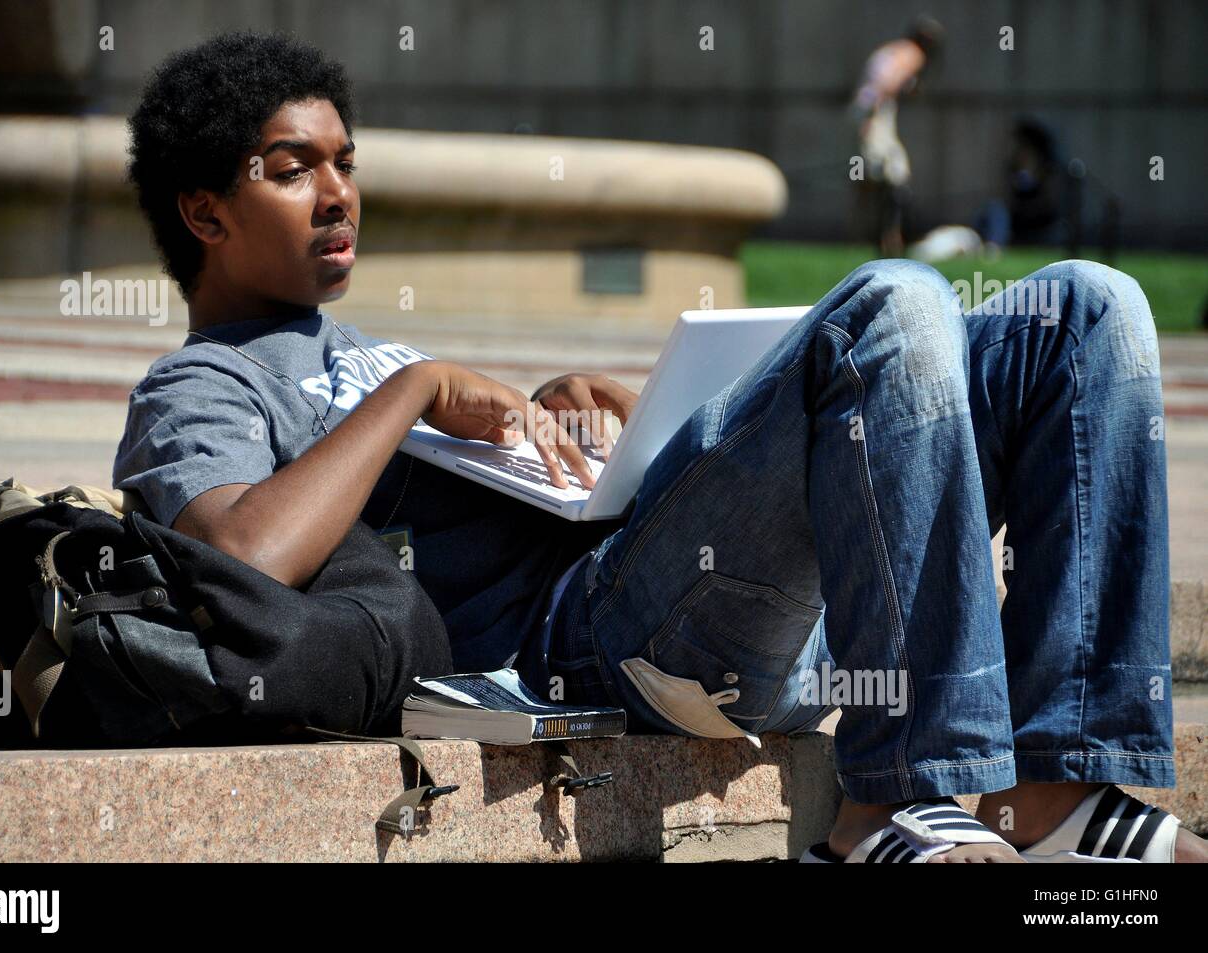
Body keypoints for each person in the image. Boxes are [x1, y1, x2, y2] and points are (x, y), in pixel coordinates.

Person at [114, 32, 1205, 862]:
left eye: (345, 161)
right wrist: (417, 388)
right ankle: (892, 797)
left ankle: (1059, 782)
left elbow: (460, 492)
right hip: (605, 646)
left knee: (1087, 311)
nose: (339, 192)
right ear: (205, 214)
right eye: (292, 167)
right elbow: (243, 554)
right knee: (896, 304)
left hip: (728, 588)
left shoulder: (359, 345)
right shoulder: (200, 383)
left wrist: (600, 421)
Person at [850, 16, 944, 257]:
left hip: (864, 110)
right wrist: (872, 119)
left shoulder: (893, 49)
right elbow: (886, 84)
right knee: (896, 174)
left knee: (872, 179)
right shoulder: (912, 54)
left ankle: (870, 238)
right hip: (875, 112)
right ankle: (890, 240)